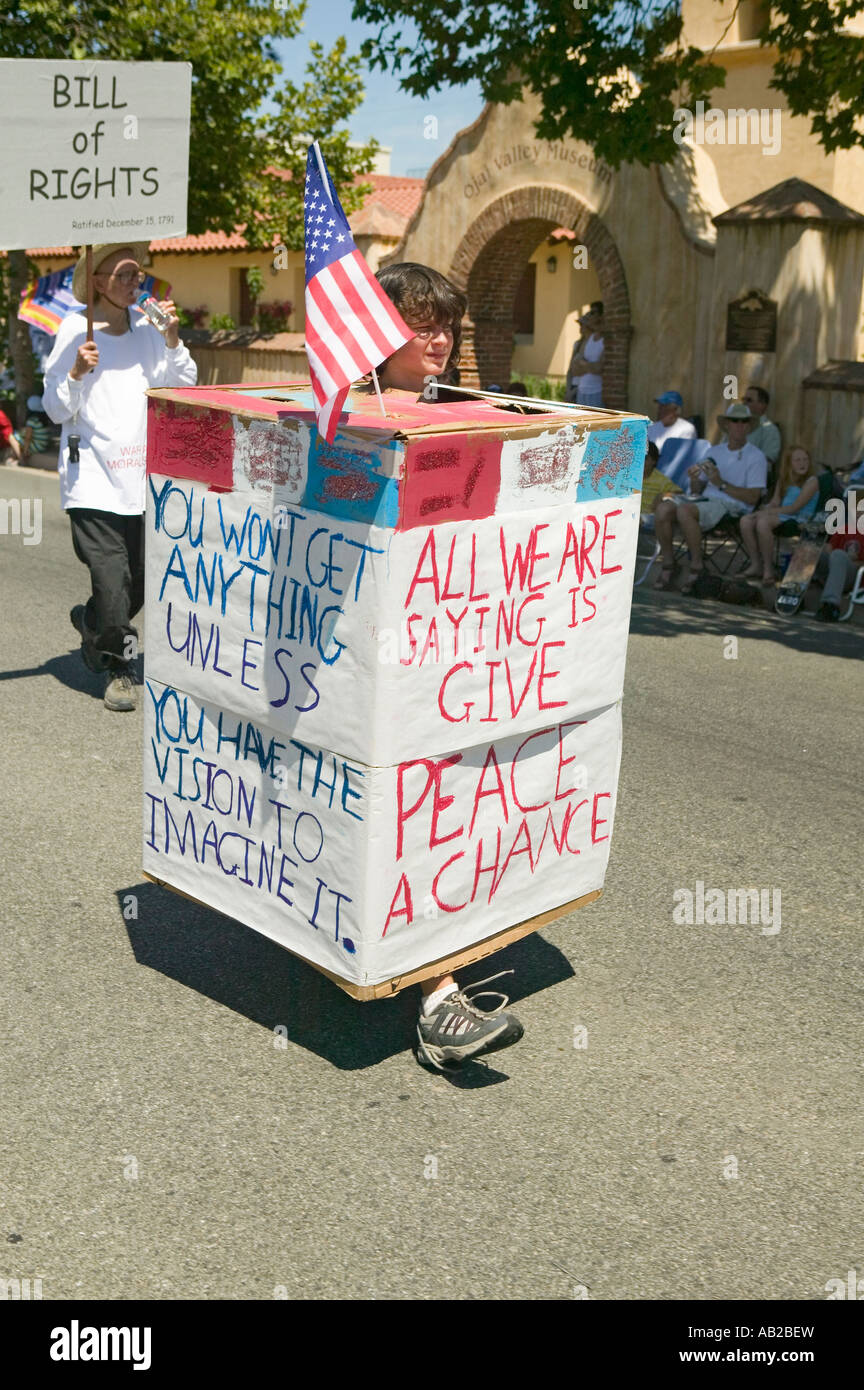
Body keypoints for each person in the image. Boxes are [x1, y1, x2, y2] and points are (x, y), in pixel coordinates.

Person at [372, 261, 525, 1072]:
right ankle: (438, 1005)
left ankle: (434, 964)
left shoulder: (471, 412)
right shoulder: (342, 416)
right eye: (420, 322)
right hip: (372, 663)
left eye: (447, 327)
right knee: (403, 812)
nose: (437, 338)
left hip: (454, 658)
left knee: (444, 806)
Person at [43, 242, 197, 712]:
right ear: (96, 281)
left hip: (144, 479)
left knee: (140, 583)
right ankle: (120, 667)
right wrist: (74, 372)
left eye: (138, 275)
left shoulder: (152, 329)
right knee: (113, 580)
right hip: (92, 480)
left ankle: (93, 624)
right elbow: (54, 409)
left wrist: (171, 339)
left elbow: (184, 386)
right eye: (125, 275)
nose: (136, 283)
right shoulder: (75, 329)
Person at [653, 401, 767, 593]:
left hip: (732, 505)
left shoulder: (756, 456)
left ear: (749, 426)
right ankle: (669, 563)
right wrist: (694, 478)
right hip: (704, 501)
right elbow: (698, 487)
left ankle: (697, 566)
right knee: (663, 507)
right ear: (727, 425)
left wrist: (721, 483)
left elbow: (753, 498)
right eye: (735, 421)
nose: (740, 425)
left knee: (685, 510)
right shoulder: (714, 451)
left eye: (744, 422)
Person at [740, 445, 819, 584]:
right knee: (746, 520)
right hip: (783, 514)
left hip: (799, 517)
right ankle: (756, 564)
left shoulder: (812, 482)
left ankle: (768, 569)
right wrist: (765, 508)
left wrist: (767, 512)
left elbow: (795, 508)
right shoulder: (784, 480)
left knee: (763, 522)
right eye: (797, 460)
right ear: (789, 463)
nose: (802, 463)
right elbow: (775, 502)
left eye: (805, 460)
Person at [565, 302, 604, 407]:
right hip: (581, 392)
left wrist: (584, 365)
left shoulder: (605, 340)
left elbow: (599, 368)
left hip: (597, 392)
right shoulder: (585, 341)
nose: (581, 327)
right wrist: (590, 366)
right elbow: (574, 369)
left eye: (593, 313)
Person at [641, 439, 681, 524]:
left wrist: (663, 495)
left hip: (649, 515)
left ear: (654, 461)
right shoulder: (629, 477)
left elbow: (680, 493)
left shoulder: (660, 480)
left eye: (645, 458)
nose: (640, 461)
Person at [741, 385, 781, 469]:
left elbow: (768, 459)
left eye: (749, 400)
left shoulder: (770, 429)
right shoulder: (735, 424)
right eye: (743, 399)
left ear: (762, 405)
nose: (744, 403)